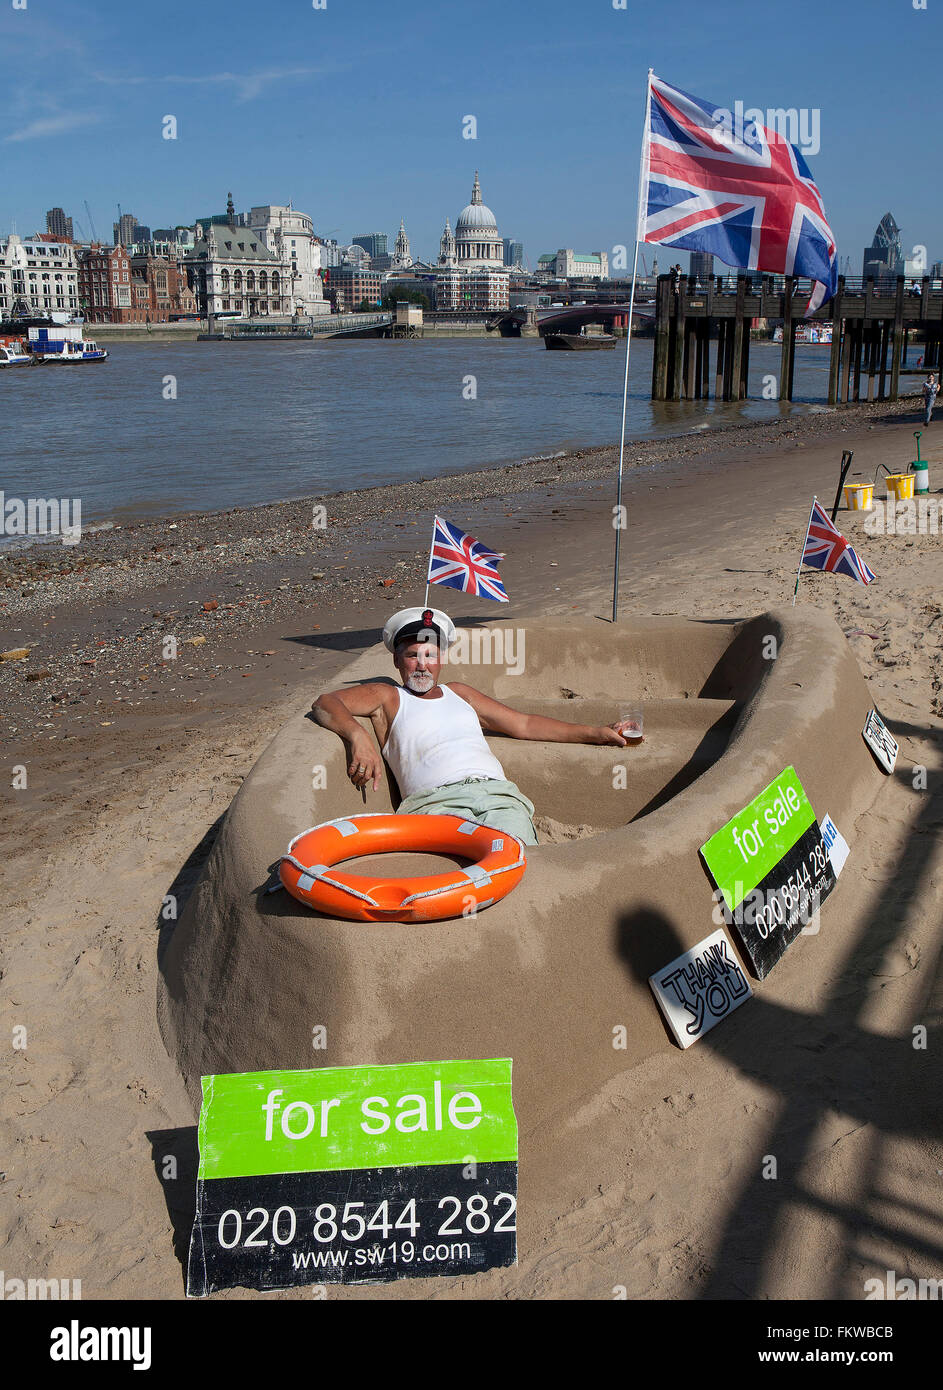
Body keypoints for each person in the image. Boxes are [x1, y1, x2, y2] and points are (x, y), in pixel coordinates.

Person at [312, 607, 634, 846]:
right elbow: (325, 703)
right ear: (397, 661)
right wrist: (356, 735)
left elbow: (522, 724)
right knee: (466, 869)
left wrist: (595, 733)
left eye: (430, 654)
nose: (422, 664)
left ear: (441, 659)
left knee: (521, 859)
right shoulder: (388, 697)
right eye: (412, 655)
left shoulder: (460, 693)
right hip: (437, 805)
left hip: (497, 796)